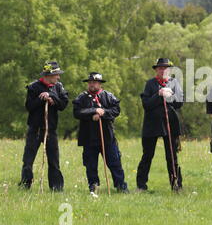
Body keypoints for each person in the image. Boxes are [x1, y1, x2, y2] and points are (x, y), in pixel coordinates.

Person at [73, 72, 129, 194]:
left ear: (99, 84)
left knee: (115, 163)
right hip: (89, 138)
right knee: (90, 165)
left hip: (107, 137)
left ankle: (121, 186)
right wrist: (92, 112)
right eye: (90, 82)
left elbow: (116, 110)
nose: (92, 84)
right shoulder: (81, 98)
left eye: (94, 82)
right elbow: (77, 112)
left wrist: (103, 112)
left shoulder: (109, 96)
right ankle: (94, 187)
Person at [19, 61, 68, 191]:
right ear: (48, 75)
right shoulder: (33, 87)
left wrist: (52, 96)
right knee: (28, 161)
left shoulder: (58, 87)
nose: (58, 77)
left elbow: (63, 105)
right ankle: (25, 185)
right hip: (35, 130)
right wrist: (41, 99)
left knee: (54, 162)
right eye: (56, 74)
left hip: (50, 130)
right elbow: (29, 106)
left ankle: (56, 188)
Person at [136, 58, 184, 191]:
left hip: (170, 123)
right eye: (160, 68)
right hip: (152, 123)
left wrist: (170, 95)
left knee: (172, 156)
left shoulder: (175, 83)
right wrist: (159, 94)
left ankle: (176, 185)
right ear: (156, 70)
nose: (163, 70)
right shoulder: (150, 84)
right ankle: (141, 186)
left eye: (165, 68)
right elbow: (146, 104)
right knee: (147, 155)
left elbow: (179, 102)